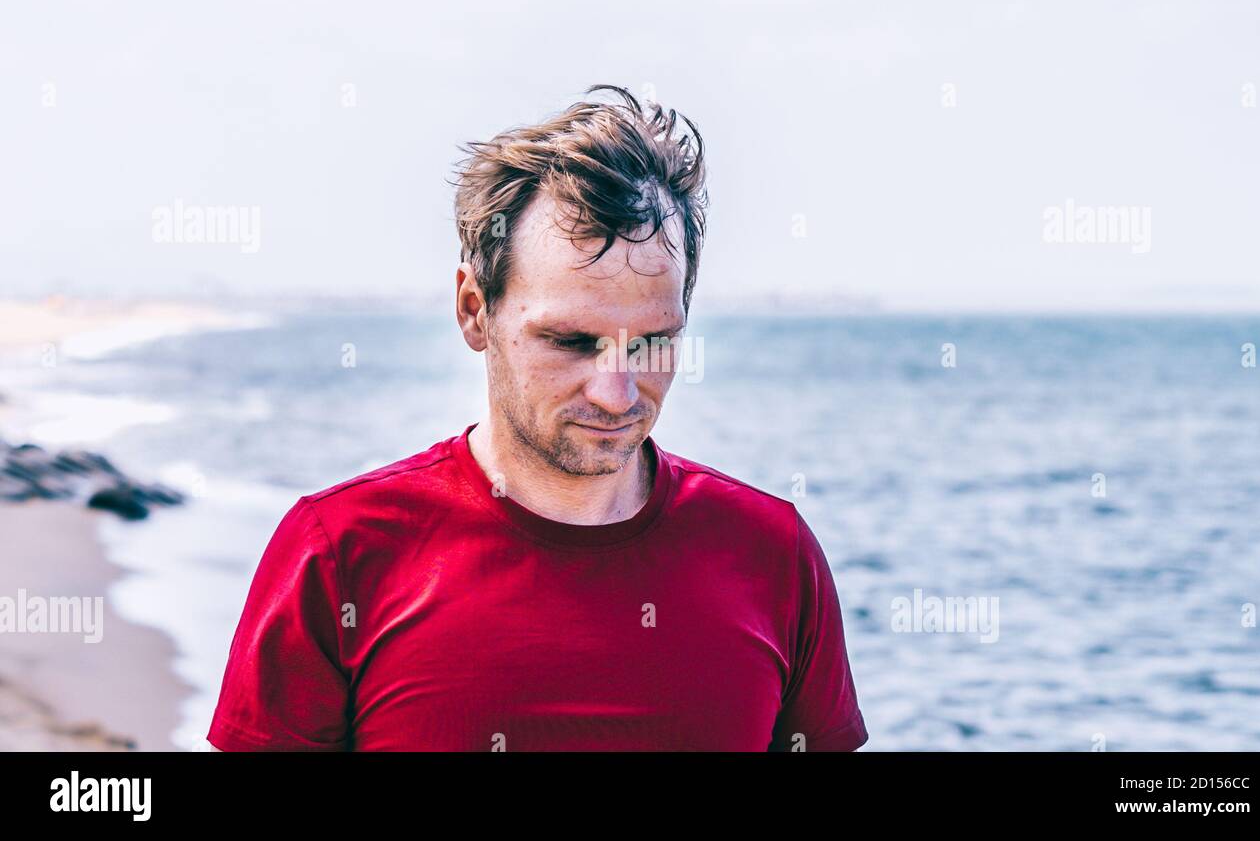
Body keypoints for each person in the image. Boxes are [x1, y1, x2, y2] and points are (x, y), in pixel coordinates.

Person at [207, 85, 867, 751]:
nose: (617, 393)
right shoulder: (339, 555)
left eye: (651, 343)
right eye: (571, 342)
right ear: (474, 308)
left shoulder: (773, 556)